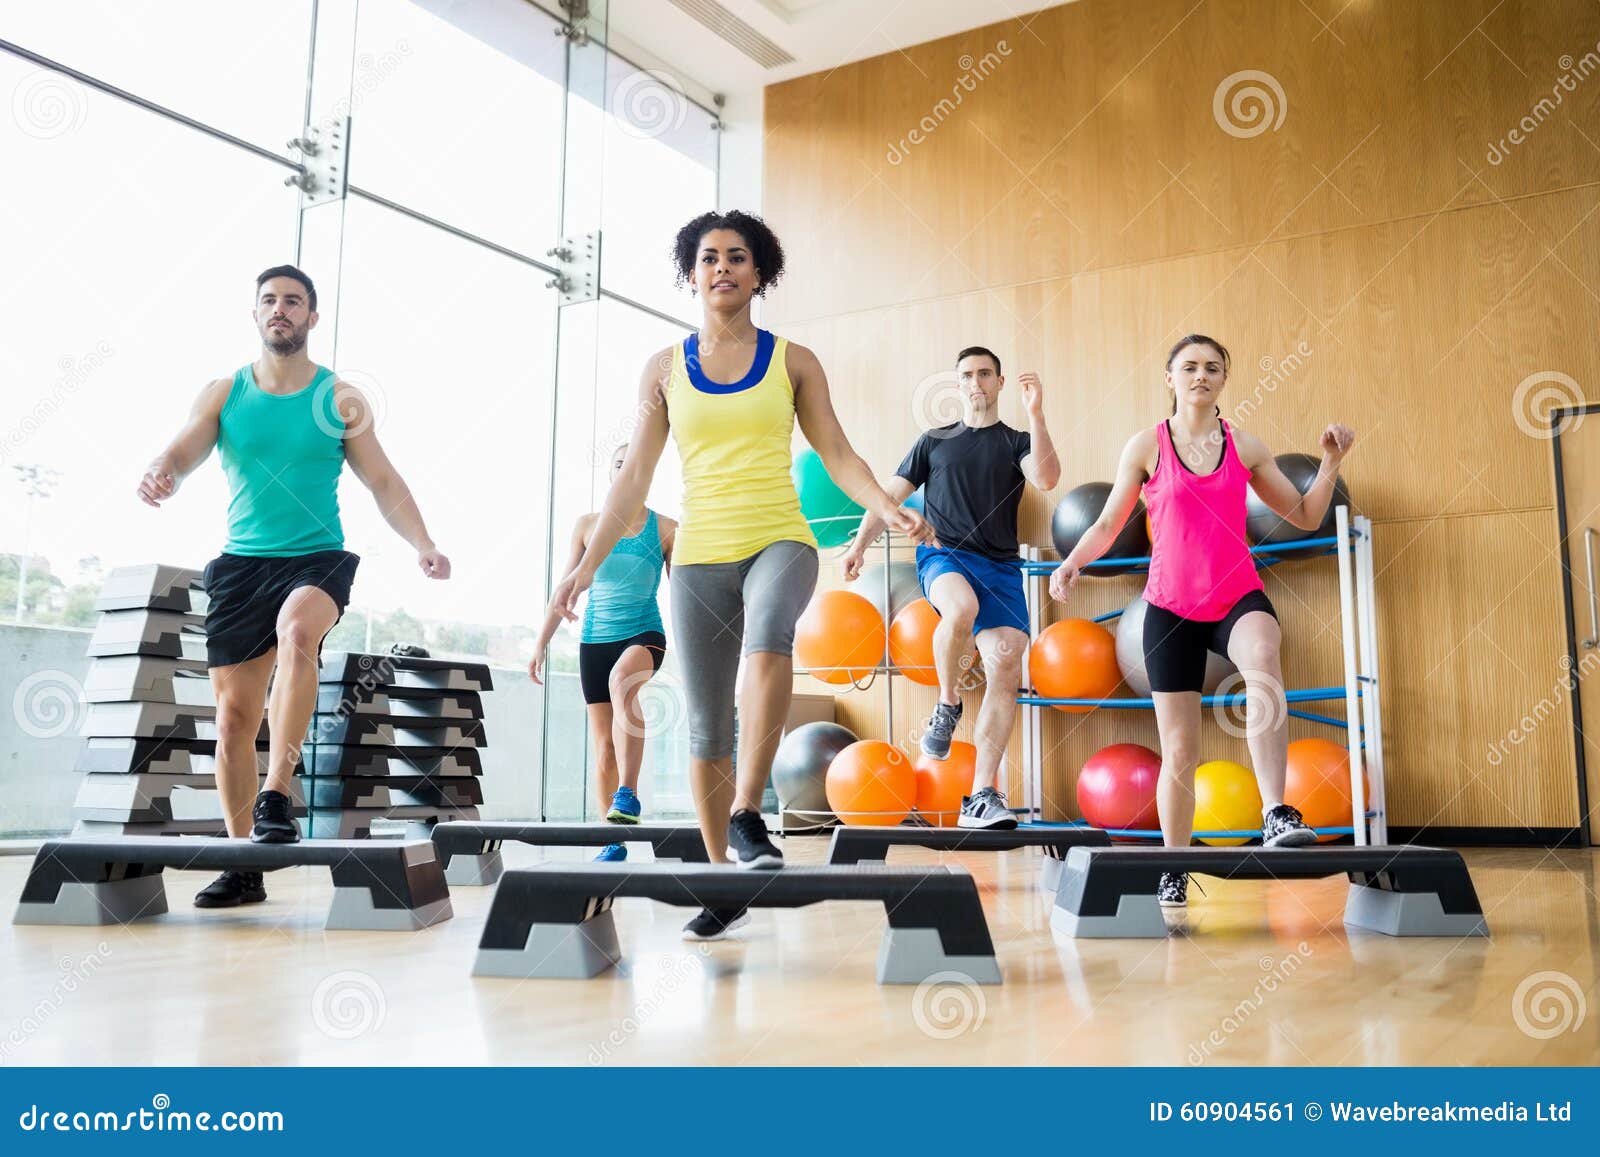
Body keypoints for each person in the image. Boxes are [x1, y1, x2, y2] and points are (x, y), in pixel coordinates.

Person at [545, 210, 933, 941]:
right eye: (708, 257)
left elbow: (840, 453)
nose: (722, 268)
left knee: (768, 638)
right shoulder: (663, 369)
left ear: (760, 274)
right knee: (703, 721)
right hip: (697, 556)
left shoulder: (794, 361)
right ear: (691, 273)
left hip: (778, 539)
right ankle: (724, 875)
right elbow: (633, 478)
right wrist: (583, 569)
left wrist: (885, 505)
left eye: (737, 257)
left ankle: (749, 811)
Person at [137, 265, 449, 908]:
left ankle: (279, 787)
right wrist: (161, 471)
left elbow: (384, 483)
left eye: (294, 302)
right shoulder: (225, 394)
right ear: (255, 315)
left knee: (299, 629)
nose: (281, 310)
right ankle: (243, 862)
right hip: (241, 565)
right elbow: (184, 450)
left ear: (312, 317)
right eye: (270, 301)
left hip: (317, 558)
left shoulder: (339, 398)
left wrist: (423, 542)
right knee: (231, 721)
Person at [1049, 333, 1355, 907]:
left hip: (1236, 594)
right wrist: (1069, 564)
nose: (1200, 376)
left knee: (1263, 653)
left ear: (1223, 379)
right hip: (1168, 609)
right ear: (1170, 379)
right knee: (1181, 750)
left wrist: (1332, 460)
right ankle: (1173, 864)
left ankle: (1275, 811)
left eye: (1212, 368)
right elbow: (1110, 522)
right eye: (1189, 367)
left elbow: (1308, 516)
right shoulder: (1146, 446)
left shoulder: (1246, 445)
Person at [842, 347, 1059, 828]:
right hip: (944, 554)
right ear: (957, 384)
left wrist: (1037, 414)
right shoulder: (934, 441)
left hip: (1001, 566)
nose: (976, 382)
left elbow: (1046, 478)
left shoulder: (1017, 440)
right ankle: (947, 703)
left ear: (1000, 381)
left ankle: (981, 795)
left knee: (1005, 666)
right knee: (959, 609)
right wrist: (858, 546)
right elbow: (890, 498)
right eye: (967, 375)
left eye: (985, 374)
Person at [530, 443, 675, 860]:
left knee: (622, 680)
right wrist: (541, 643)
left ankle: (628, 794)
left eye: (634, 463)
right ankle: (612, 840)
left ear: (645, 472)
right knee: (604, 747)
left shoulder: (666, 528)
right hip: (595, 640)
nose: (625, 469)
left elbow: (683, 593)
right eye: (618, 463)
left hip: (644, 633)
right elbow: (565, 589)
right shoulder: (587, 526)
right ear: (611, 473)